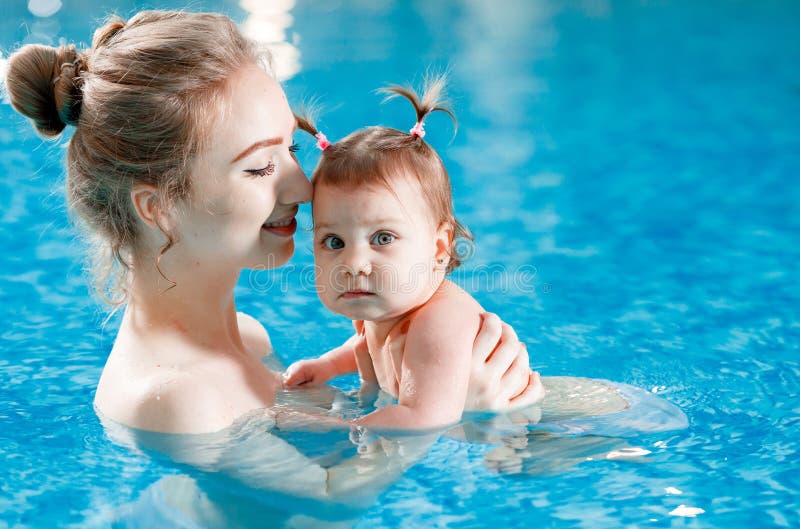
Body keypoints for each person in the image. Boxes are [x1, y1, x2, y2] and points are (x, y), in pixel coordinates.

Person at [3, 11, 541, 438]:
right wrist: (462, 415)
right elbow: (320, 513)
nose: (306, 189)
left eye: (291, 148)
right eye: (260, 165)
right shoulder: (180, 401)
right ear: (157, 206)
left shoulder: (250, 339)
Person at [283, 76, 545, 429]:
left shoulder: (438, 322)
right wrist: (328, 366)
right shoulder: (386, 304)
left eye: (383, 238)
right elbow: (370, 345)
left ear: (439, 247)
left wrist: (326, 426)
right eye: (334, 242)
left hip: (548, 426)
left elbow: (423, 418)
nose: (354, 264)